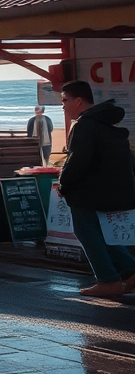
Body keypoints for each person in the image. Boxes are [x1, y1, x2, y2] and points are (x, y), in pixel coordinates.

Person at [56, 80, 135, 297]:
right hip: (113, 189)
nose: (63, 106)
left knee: (86, 232)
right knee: (103, 233)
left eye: (65, 100)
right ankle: (130, 273)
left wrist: (63, 184)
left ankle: (107, 280)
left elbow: (77, 160)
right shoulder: (105, 122)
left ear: (78, 100)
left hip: (88, 192)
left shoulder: (83, 125)